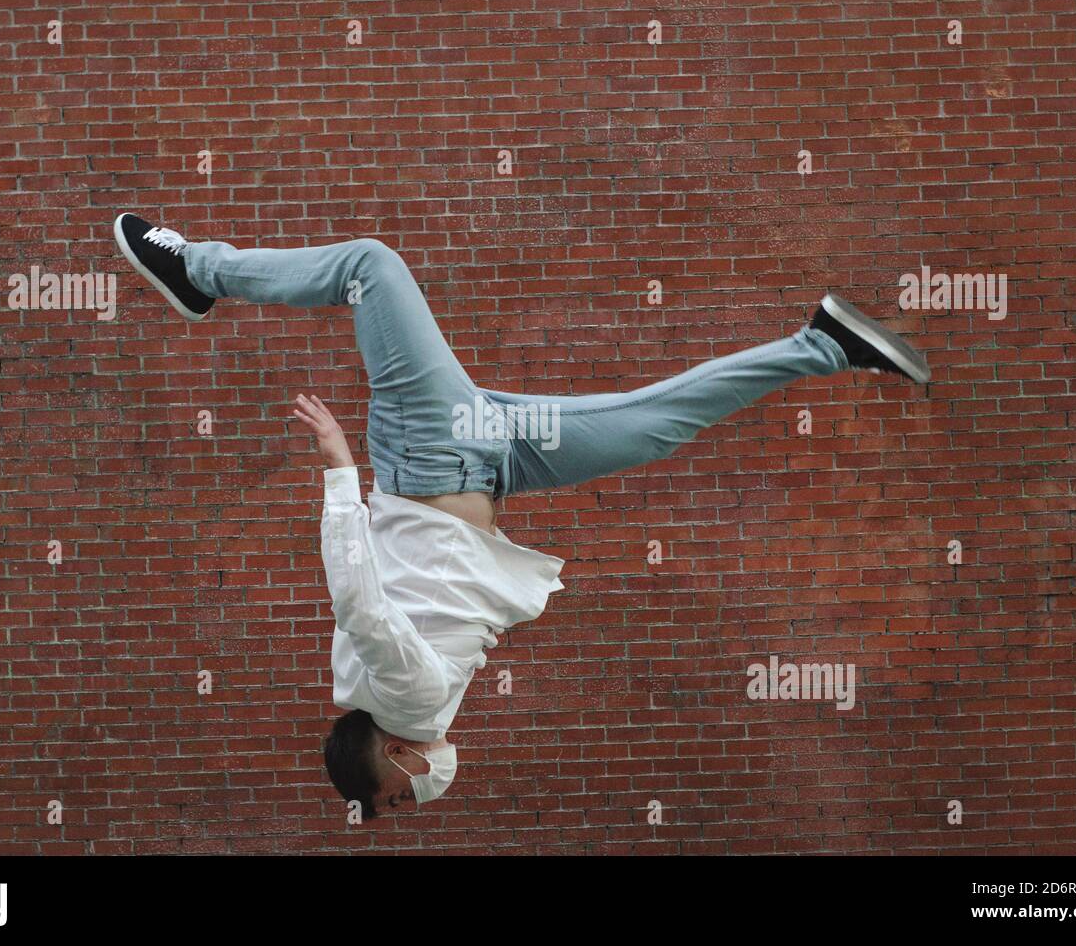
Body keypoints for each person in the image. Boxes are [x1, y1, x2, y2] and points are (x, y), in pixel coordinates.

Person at [113, 213, 931, 820]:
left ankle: (197, 272)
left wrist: (339, 472)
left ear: (395, 756)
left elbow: (358, 598)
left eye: (397, 799)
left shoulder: (410, 703)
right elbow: (374, 605)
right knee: (654, 425)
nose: (413, 800)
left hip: (435, 456)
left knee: (370, 265)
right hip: (493, 452)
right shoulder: (368, 688)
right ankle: (825, 343)